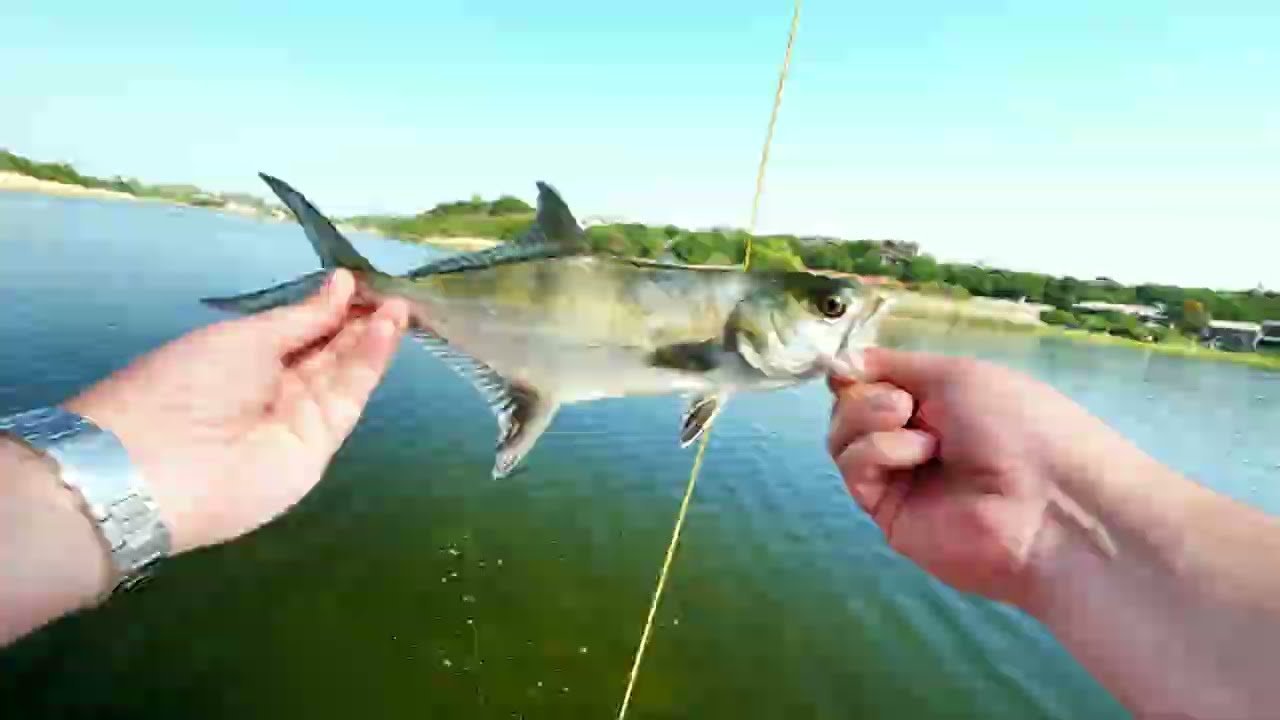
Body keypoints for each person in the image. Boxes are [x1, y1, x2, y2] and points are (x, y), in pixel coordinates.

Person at [1, 270, 1278, 718]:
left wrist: (101, 480)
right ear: (769, 317)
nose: (844, 323)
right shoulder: (724, 334)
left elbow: (699, 368)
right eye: (826, 307)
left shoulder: (731, 348)